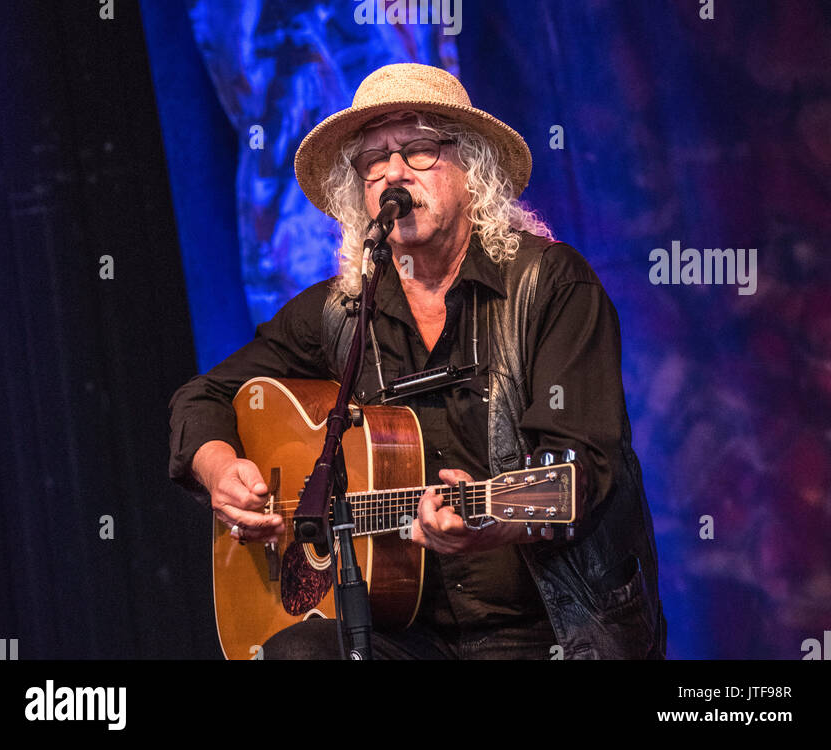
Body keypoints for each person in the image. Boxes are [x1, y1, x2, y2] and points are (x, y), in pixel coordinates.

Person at [169, 62, 666, 660]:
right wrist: (221, 469)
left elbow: (579, 470)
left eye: (419, 150)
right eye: (372, 161)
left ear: (472, 168)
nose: (392, 174)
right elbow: (203, 396)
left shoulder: (550, 287)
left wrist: (493, 520)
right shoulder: (341, 313)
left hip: (549, 628)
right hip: (405, 633)